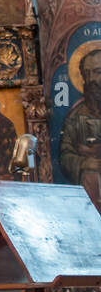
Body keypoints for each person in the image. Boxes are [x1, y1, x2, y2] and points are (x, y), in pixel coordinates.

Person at [59, 47, 101, 209]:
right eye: (87, 73)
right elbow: (65, 155)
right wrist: (85, 163)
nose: (91, 79)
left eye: (97, 72)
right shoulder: (76, 116)